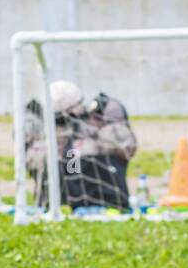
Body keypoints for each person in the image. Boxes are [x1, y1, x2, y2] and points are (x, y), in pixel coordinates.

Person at [24, 81, 138, 212]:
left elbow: (127, 148)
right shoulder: (44, 144)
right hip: (66, 198)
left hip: (105, 198)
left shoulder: (99, 131)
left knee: (74, 155)